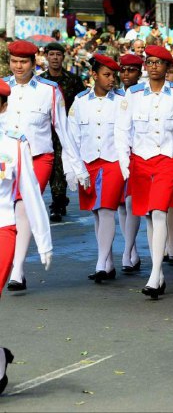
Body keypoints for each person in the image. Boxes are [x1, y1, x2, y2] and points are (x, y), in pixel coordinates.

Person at [114, 45, 173, 300]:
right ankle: (159, 276)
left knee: (160, 212)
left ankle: (154, 274)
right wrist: (124, 162)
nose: (153, 67)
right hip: (140, 159)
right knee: (150, 217)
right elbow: (122, 130)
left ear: (167, 68)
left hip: (169, 159)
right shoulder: (133, 94)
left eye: (158, 63)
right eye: (149, 62)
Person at [4, 40, 87, 291]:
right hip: (7, 159)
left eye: (24, 62)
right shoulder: (2, 87)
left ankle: (17, 270)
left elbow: (63, 129)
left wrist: (76, 166)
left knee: (23, 208)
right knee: (8, 210)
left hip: (39, 157)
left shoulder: (49, 90)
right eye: (14, 61)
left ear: (34, 63)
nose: (19, 66)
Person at [0, 78, 52, 395]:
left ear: (3, 106)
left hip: (2, 228)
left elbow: (31, 195)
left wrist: (44, 242)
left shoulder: (14, 144)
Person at [68, 55, 126, 282]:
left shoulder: (122, 100)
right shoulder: (80, 101)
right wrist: (72, 169)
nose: (112, 79)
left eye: (114, 75)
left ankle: (101, 262)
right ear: (94, 75)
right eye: (106, 75)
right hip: (89, 161)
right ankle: (108, 261)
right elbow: (72, 137)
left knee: (107, 210)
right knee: (96, 212)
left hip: (114, 161)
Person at [40, 42, 85, 222]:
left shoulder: (73, 80)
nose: (55, 58)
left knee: (61, 167)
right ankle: (58, 201)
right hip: (46, 130)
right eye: (52, 54)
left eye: (58, 54)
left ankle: (57, 204)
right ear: (47, 57)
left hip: (67, 130)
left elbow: (82, 102)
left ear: (63, 57)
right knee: (50, 168)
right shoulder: (41, 81)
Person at [117, 54, 144, 273]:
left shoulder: (143, 93)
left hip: (138, 155)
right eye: (123, 70)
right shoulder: (115, 94)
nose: (126, 74)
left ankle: (128, 251)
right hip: (114, 155)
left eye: (131, 70)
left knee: (131, 203)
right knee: (120, 206)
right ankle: (132, 250)